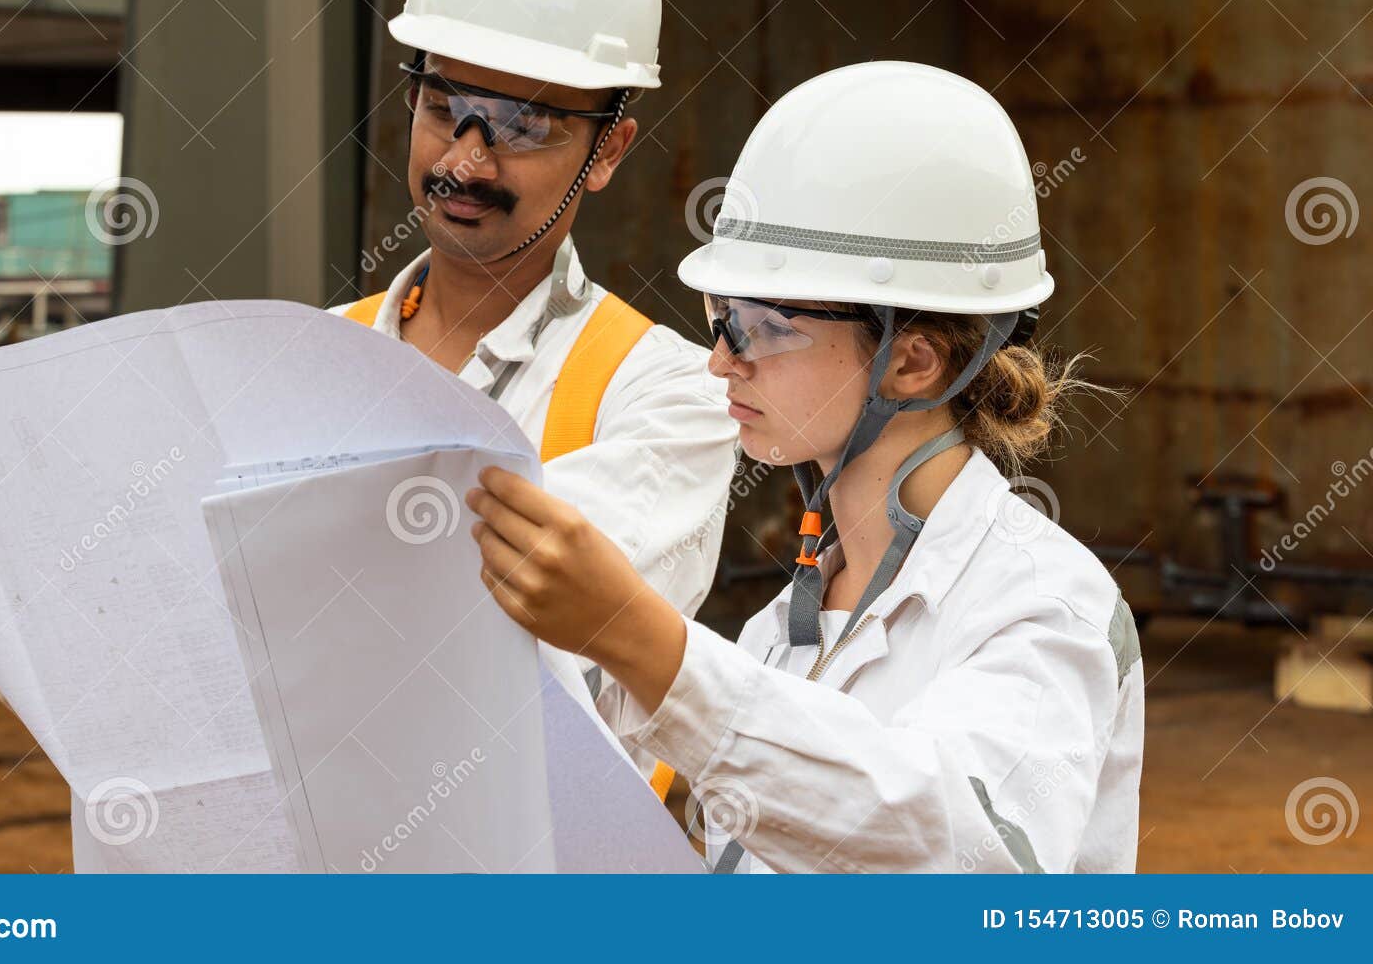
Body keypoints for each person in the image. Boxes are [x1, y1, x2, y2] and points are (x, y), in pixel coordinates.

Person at [467, 61, 1145, 873]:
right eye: (719, 319)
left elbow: (967, 853)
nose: (720, 363)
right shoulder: (776, 638)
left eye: (758, 326)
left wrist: (640, 638)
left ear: (914, 362)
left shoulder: (1042, 603)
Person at [334, 0, 738, 652]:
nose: (467, 160)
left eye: (524, 126)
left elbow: (467, 622)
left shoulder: (666, 398)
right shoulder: (313, 356)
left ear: (607, 150)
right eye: (445, 106)